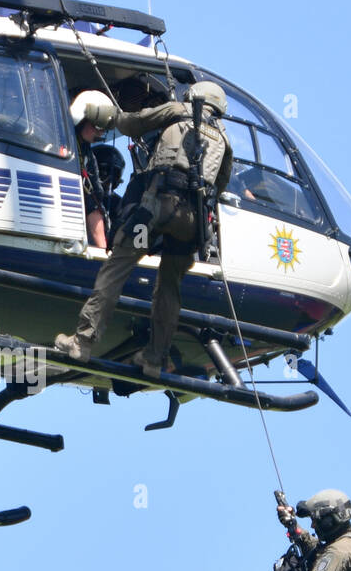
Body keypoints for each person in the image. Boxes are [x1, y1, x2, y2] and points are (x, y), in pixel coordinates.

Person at [54, 81, 232, 376]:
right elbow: (221, 185)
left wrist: (111, 116)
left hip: (158, 210)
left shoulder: (177, 110)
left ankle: (83, 342)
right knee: (170, 286)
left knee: (117, 266)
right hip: (192, 223)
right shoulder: (225, 139)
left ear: (194, 96)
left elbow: (135, 123)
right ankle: (153, 359)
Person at [69, 91, 111, 249]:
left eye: (104, 129)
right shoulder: (61, 145)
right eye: (97, 126)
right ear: (81, 120)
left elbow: (94, 202)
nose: (100, 133)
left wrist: (102, 249)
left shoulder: (87, 155)